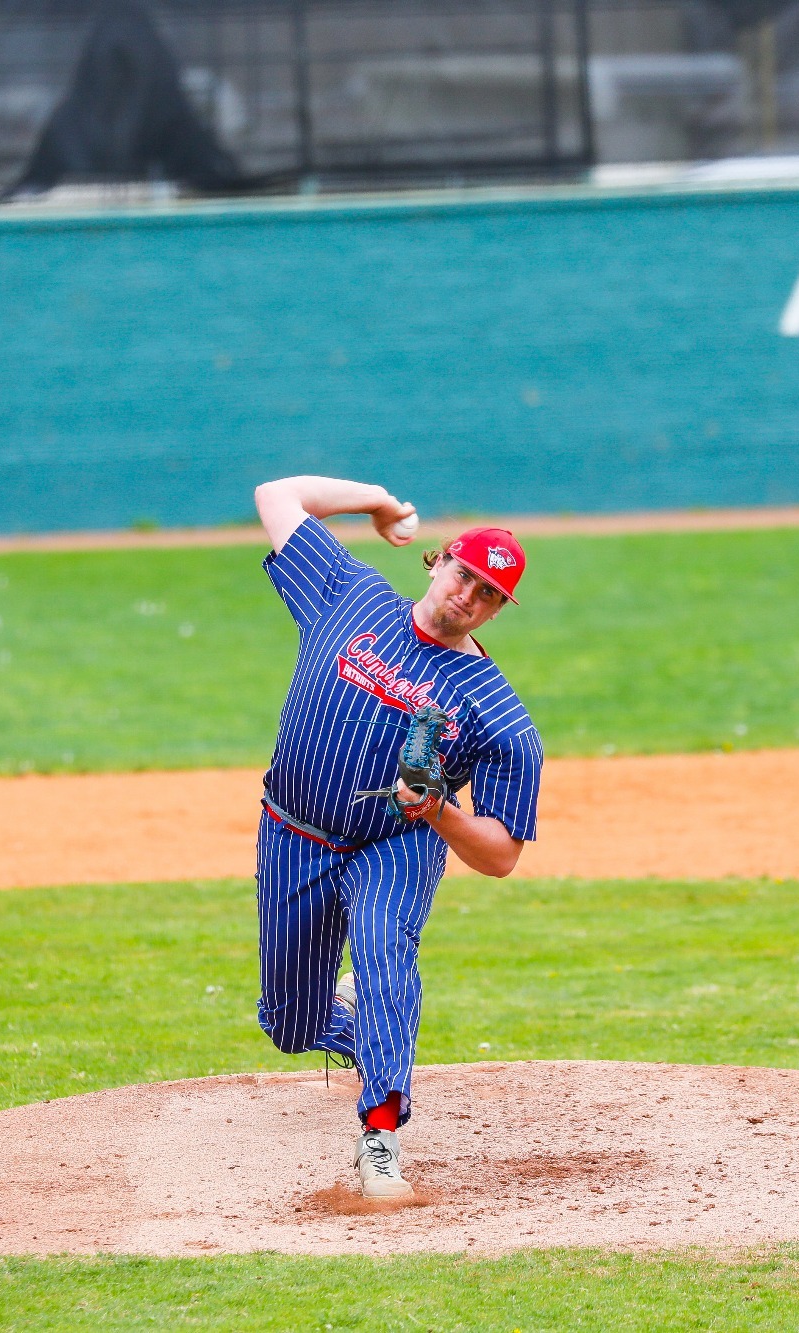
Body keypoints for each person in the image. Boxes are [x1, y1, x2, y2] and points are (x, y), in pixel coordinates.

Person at [251, 475, 543, 1199]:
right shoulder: (349, 594)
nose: (467, 597)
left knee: (385, 948)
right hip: (294, 829)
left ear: (499, 609)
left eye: (487, 595)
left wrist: (437, 811)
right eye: (464, 576)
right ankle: (352, 1025)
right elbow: (276, 496)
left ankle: (380, 1132)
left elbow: (501, 854)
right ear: (438, 560)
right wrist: (378, 501)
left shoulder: (499, 717)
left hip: (396, 842)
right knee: (290, 1022)